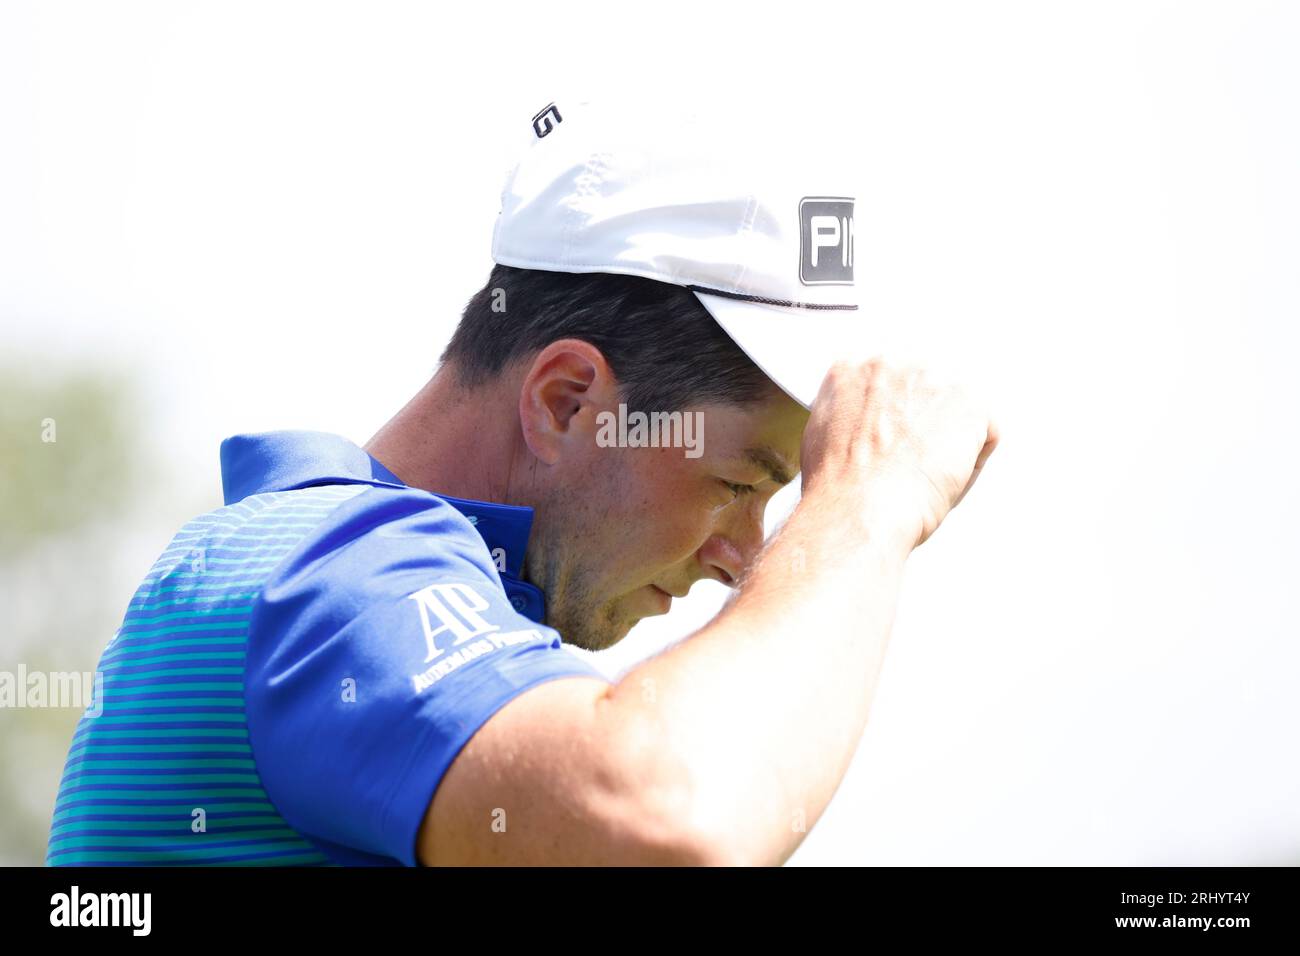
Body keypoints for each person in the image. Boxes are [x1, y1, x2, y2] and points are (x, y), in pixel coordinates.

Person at [46, 99, 998, 866]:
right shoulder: (333, 574)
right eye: (739, 484)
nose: (745, 558)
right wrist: (862, 510)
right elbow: (673, 823)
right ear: (569, 399)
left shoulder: (337, 570)